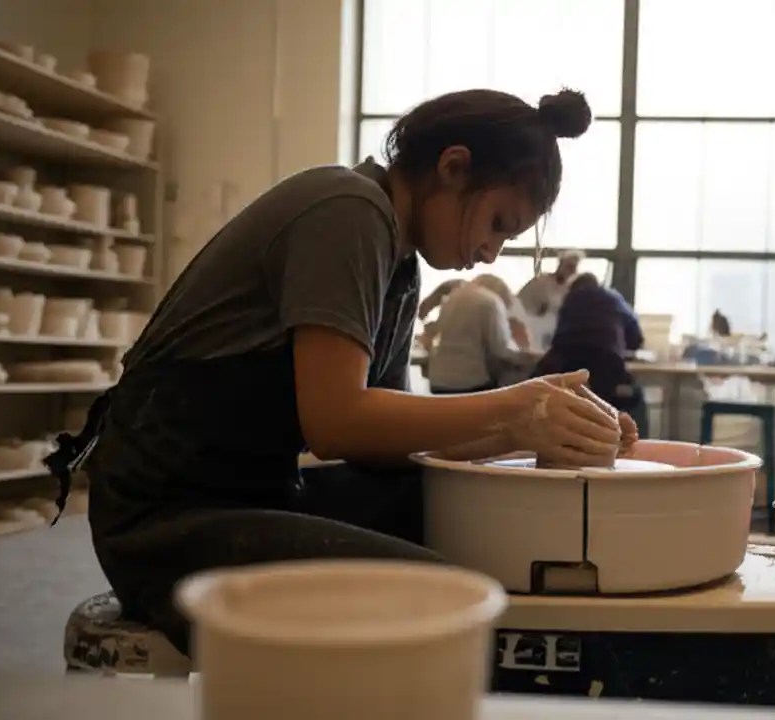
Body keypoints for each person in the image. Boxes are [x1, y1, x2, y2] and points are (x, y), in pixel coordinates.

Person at [45, 88, 636, 655]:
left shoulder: (401, 266)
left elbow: (385, 444)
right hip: (167, 517)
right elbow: (336, 423)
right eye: (498, 224)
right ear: (453, 168)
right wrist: (515, 408)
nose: (491, 252)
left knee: (466, 514)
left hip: (251, 491)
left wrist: (539, 433)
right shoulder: (349, 211)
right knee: (453, 603)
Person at [532, 273, 648, 435]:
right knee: (635, 399)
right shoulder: (614, 299)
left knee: (544, 391)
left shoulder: (569, 299)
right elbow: (636, 337)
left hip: (566, 362)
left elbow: (556, 335)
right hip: (606, 364)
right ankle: (634, 446)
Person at [428, 274, 536, 393]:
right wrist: (530, 357)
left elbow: (438, 333)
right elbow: (501, 350)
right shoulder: (492, 302)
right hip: (470, 383)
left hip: (438, 380)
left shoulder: (453, 297)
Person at [517, 248, 583, 317]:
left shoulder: (572, 288)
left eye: (574, 267)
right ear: (560, 264)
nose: (572, 271)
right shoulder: (542, 282)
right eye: (569, 267)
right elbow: (521, 302)